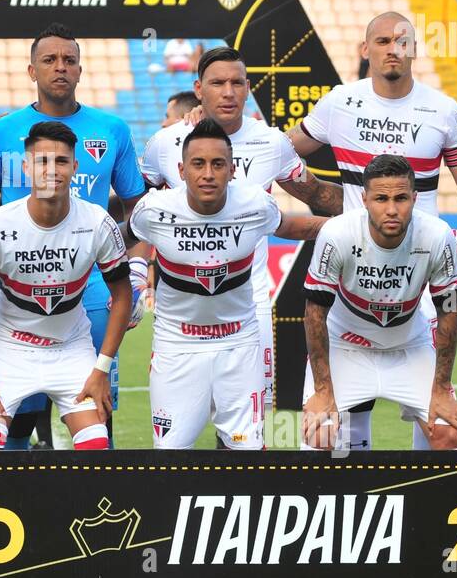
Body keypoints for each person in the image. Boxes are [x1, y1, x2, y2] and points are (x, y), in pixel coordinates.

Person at [287, 11, 457, 450]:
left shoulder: (443, 110)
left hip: (422, 270)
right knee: (337, 427)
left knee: (443, 427)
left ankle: (421, 506)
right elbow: (279, 151)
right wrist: (211, 130)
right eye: (382, 41)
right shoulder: (340, 102)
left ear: (414, 49)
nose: (393, 49)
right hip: (354, 268)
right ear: (366, 50)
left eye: (402, 41)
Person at [0, 23, 147, 448]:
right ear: (32, 70)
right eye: (50, 60)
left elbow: (139, 209)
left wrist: (135, 271)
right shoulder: (0, 132)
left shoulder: (112, 128)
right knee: (16, 421)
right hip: (14, 290)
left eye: (69, 60)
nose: (60, 67)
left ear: (80, 69)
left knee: (97, 406)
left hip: (93, 291)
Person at [142, 46, 343, 414]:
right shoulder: (166, 143)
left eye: (237, 82)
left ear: (249, 88)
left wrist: (371, 208)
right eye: (218, 83)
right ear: (199, 88)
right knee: (178, 428)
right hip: (180, 318)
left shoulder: (272, 142)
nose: (229, 92)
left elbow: (314, 193)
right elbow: (137, 205)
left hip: (249, 308)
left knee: (249, 422)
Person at [124, 118, 326, 449]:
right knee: (170, 455)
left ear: (232, 170)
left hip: (239, 346)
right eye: (198, 164)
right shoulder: (154, 210)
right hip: (177, 347)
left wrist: (354, 226)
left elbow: (294, 227)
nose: (207, 174)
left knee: (247, 452)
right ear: (181, 169)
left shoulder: (255, 205)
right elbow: (117, 238)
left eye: (218, 164)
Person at [0, 121, 131, 451]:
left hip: (70, 347)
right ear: (26, 167)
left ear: (75, 167)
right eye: (42, 161)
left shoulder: (97, 222)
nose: (51, 170)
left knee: (97, 445)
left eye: (61, 161)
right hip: (8, 346)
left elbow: (123, 296)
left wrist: (101, 369)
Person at [301, 155, 457, 450]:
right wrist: (323, 390)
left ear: (415, 198)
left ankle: (419, 495)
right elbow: (314, 314)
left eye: (401, 198)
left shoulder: (438, 236)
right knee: (320, 437)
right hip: (346, 346)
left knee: (449, 437)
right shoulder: (337, 234)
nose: (392, 209)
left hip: (409, 347)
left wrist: (441, 389)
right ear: (364, 199)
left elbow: (449, 311)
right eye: (381, 198)